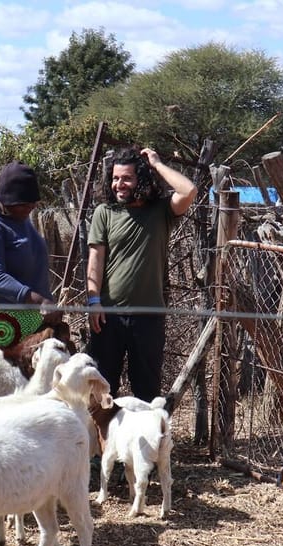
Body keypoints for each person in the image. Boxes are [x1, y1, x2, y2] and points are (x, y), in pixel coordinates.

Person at [86, 146, 197, 399]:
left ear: (142, 178)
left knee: (147, 394)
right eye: (115, 178)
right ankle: (100, 439)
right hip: (107, 317)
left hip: (148, 318)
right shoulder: (105, 212)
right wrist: (93, 300)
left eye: (126, 178)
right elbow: (95, 259)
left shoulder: (161, 211)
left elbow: (189, 190)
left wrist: (157, 164)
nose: (119, 184)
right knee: (101, 392)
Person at [0, 160, 62, 351]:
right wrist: (39, 300)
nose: (30, 208)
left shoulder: (18, 217)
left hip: (22, 317)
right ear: (7, 201)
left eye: (32, 203)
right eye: (24, 204)